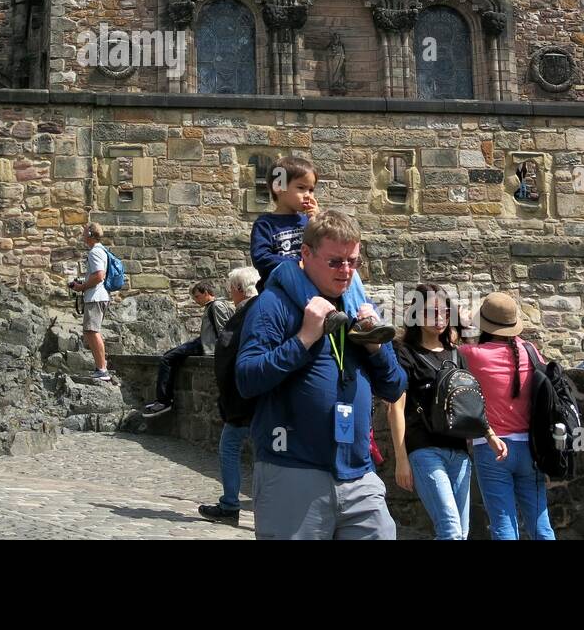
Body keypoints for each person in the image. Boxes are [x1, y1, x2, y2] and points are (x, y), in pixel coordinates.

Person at [236, 209, 406, 539]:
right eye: (335, 262)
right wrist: (304, 339)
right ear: (306, 253)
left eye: (353, 261)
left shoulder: (357, 305)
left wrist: (375, 347)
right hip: (293, 470)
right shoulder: (274, 304)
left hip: (358, 474)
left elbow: (394, 385)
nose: (346, 272)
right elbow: (247, 378)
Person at [386, 283, 507, 540]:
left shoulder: (455, 353)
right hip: (424, 449)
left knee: (460, 534)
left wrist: (490, 435)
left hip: (459, 451)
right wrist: (401, 459)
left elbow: (470, 402)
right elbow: (395, 407)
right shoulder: (404, 353)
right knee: (451, 530)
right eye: (432, 312)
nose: (440, 318)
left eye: (444, 312)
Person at [460, 292, 554, 540]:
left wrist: (465, 319)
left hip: (492, 448)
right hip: (531, 448)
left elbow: (448, 351)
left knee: (503, 526)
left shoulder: (473, 355)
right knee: (541, 526)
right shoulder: (530, 350)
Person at [199, 265, 259, 524]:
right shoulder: (264, 307)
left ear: (237, 289)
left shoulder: (247, 312)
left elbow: (229, 350)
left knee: (232, 448)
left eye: (230, 289)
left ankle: (231, 505)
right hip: (255, 396)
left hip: (246, 398)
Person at [142, 282, 232, 417]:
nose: (195, 300)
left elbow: (223, 330)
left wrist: (220, 352)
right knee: (169, 356)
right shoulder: (215, 306)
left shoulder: (217, 306)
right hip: (203, 342)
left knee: (167, 359)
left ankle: (164, 401)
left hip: (206, 346)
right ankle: (163, 399)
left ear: (206, 293)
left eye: (197, 296)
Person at [250, 154, 318, 292]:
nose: (308, 195)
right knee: (288, 269)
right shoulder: (265, 224)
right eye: (301, 188)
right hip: (279, 288)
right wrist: (297, 264)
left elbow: (326, 250)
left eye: (311, 190)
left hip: (310, 281)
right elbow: (261, 258)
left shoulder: (310, 222)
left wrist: (318, 223)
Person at [72, 222, 112, 382]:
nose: (82, 235)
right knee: (92, 331)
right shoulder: (101, 250)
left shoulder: (95, 252)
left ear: (90, 235)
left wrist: (82, 286)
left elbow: (99, 276)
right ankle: (101, 367)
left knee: (91, 331)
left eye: (84, 232)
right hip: (99, 296)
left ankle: (102, 369)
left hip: (95, 297)